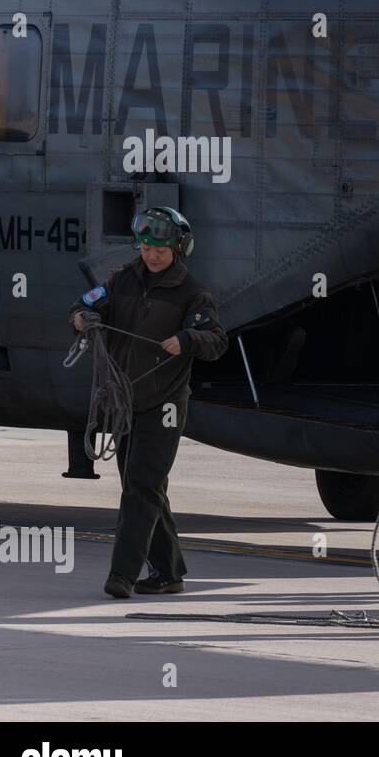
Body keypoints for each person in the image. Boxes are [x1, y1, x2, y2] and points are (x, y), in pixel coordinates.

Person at [67, 207, 228, 598]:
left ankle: (121, 575)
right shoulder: (121, 280)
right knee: (144, 486)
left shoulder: (193, 294)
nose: (152, 255)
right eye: (146, 248)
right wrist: (81, 318)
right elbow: (83, 304)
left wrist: (187, 340)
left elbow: (217, 341)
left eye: (160, 250)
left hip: (166, 403)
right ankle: (168, 573)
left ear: (178, 249)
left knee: (141, 486)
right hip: (125, 401)